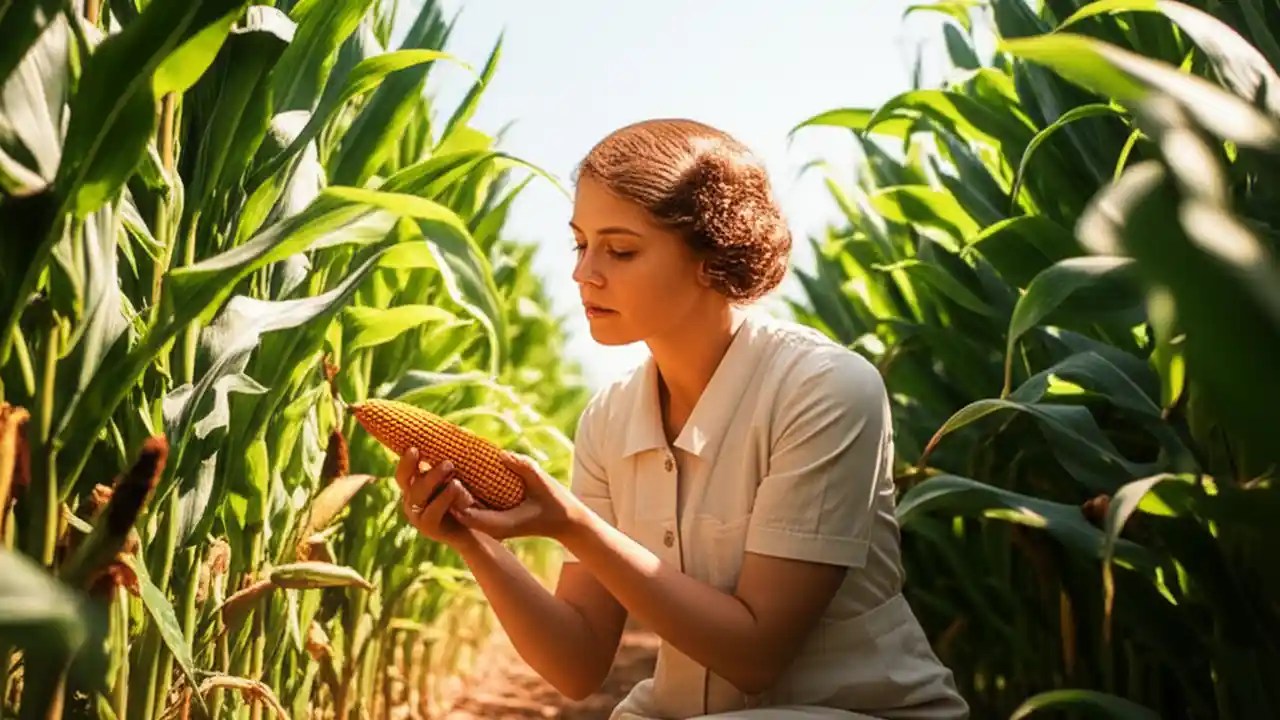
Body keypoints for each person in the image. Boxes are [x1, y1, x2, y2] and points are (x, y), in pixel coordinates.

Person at [394, 118, 969, 719]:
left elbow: (757, 655)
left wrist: (573, 525)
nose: (584, 273)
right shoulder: (609, 418)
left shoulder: (824, 390)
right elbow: (578, 664)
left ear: (714, 255)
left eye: (620, 250)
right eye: (580, 243)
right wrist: (473, 538)